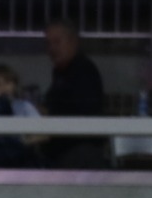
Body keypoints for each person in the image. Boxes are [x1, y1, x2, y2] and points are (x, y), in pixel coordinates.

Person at [40, 18, 107, 168]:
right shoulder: (60, 73)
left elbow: (80, 111)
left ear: (73, 42)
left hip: (79, 155)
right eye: (48, 43)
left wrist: (48, 113)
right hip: (63, 153)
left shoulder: (83, 71)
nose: (52, 48)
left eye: (57, 42)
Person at [0, 64, 42, 169]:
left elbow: (43, 133)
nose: (3, 88)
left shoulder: (25, 106)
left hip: (19, 152)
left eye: (7, 83)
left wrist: (25, 141)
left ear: (15, 85)